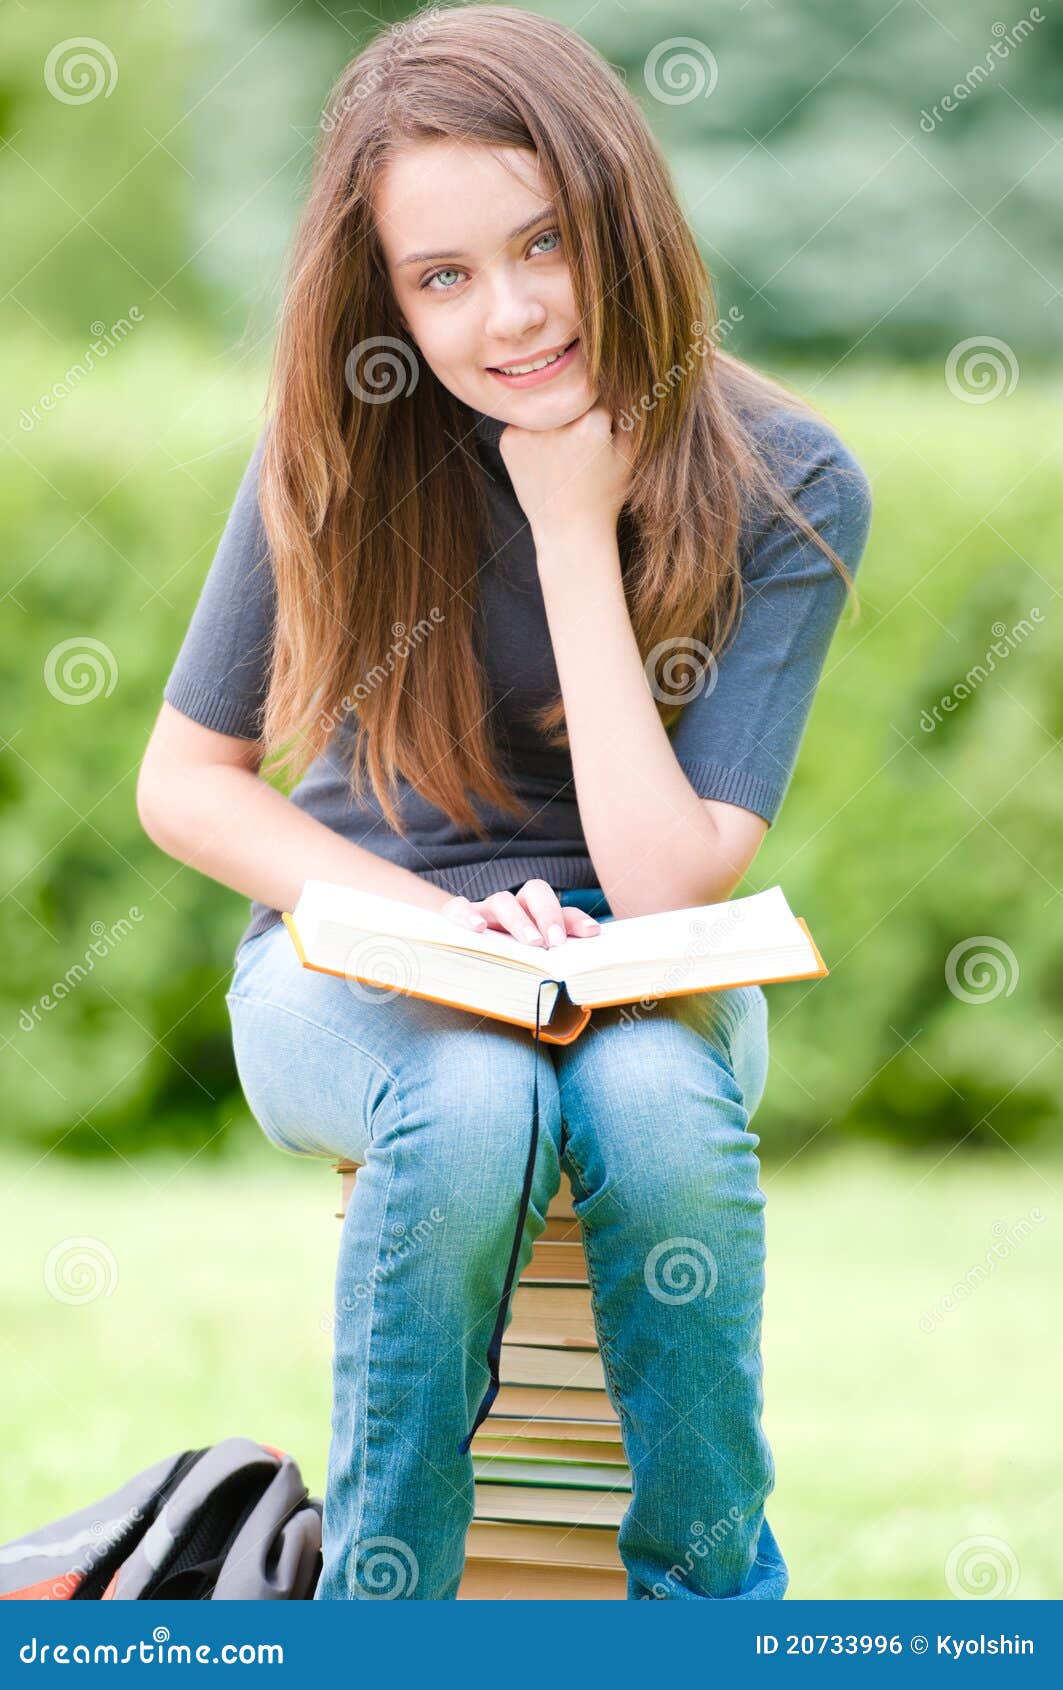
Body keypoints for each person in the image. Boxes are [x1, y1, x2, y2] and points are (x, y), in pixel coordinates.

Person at [136, 4, 872, 1601]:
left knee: (659, 1109)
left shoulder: (789, 478)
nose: (514, 312)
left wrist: (570, 523)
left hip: (640, 960)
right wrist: (444, 930)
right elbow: (186, 783)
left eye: (545, 242)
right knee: (469, 1100)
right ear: (386, 297)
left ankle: (708, 1610)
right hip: (363, 956)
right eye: (443, 277)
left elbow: (668, 889)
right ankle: (385, 1615)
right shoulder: (343, 440)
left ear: (620, 212)